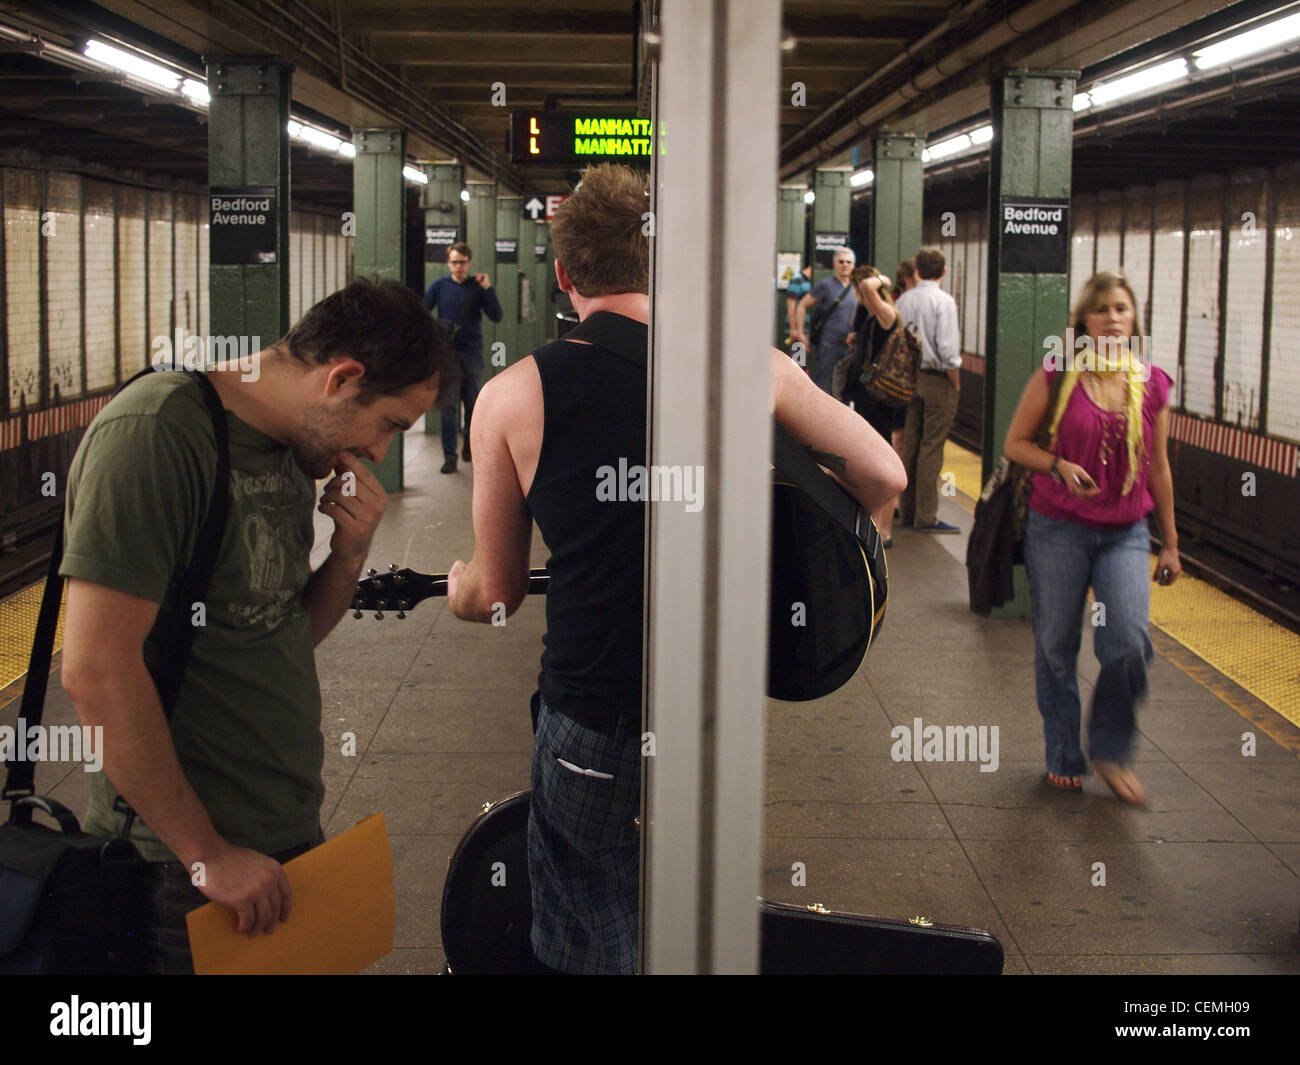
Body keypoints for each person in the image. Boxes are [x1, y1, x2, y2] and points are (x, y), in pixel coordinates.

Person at [446, 163, 905, 974]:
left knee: (590, 930)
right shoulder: (747, 368)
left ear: (562, 274)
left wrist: (460, 586)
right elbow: (885, 478)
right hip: (712, 714)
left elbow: (497, 592)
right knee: (694, 913)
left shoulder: (514, 396)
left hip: (593, 715)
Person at [59, 278, 457, 973]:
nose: (380, 450)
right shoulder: (161, 433)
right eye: (390, 423)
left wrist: (348, 557)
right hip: (177, 872)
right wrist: (206, 853)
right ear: (341, 378)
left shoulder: (286, 450)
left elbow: (281, 635)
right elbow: (95, 670)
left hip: (278, 840)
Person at [1003, 270, 1180, 804]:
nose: (1111, 318)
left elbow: (1159, 469)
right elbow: (1016, 444)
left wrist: (1170, 542)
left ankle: (1109, 746)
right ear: (1084, 320)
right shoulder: (1058, 374)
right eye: (1100, 309)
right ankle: (1063, 753)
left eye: (1121, 309)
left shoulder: (1153, 384)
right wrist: (1057, 465)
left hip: (1126, 532)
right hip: (1058, 528)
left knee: (1128, 642)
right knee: (1057, 646)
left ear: (1134, 320)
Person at [895, 246, 962, 533]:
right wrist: (955, 381)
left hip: (908, 379)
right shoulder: (943, 301)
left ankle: (906, 511)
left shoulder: (904, 301)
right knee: (932, 446)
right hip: (937, 378)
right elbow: (947, 350)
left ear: (917, 272)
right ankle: (927, 516)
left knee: (910, 444)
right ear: (944, 272)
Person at [423, 242, 503, 474]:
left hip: (472, 352)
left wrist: (488, 289)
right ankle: (450, 456)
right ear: (449, 263)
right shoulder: (439, 286)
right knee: (448, 407)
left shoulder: (477, 287)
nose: (459, 267)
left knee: (473, 405)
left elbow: (496, 315)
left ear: (469, 263)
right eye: (455, 262)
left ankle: (470, 446)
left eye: (463, 262)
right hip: (447, 354)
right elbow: (423, 311)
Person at [842, 264, 906, 546]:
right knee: (873, 458)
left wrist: (877, 280)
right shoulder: (873, 317)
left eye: (857, 289)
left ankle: (885, 530)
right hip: (868, 398)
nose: (859, 295)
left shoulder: (887, 314)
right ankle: (875, 524)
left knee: (882, 460)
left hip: (880, 400)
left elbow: (869, 288)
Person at [793, 246, 857, 393]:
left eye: (848, 262)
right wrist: (800, 332)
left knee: (845, 390)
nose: (845, 265)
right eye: (841, 261)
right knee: (824, 386)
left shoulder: (857, 287)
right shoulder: (826, 285)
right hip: (829, 345)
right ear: (834, 264)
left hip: (851, 347)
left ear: (853, 265)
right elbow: (802, 305)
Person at [784, 263, 812, 355]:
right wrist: (793, 328)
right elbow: (791, 304)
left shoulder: (814, 282)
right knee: (799, 362)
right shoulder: (797, 279)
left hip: (810, 329)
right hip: (798, 330)